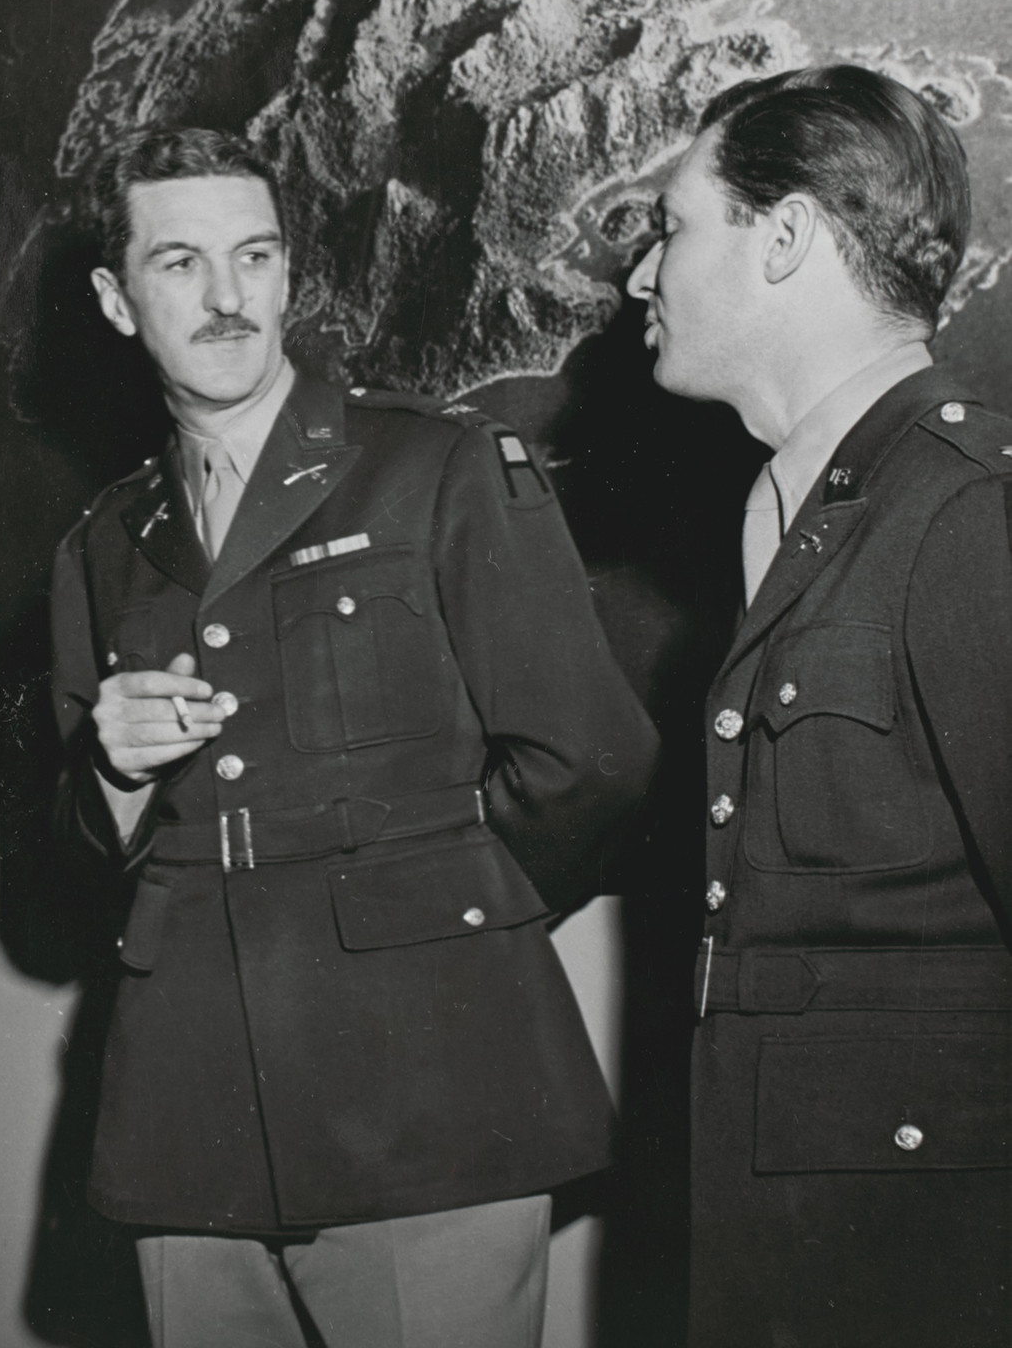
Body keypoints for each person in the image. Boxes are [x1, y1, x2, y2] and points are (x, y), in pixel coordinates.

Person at [49, 126, 658, 1348]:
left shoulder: (431, 465)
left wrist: (434, 919)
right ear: (117, 300)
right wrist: (108, 770)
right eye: (179, 263)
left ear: (286, 273)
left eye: (254, 255)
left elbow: (588, 759)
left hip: (424, 1091)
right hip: (192, 1117)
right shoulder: (103, 542)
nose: (227, 298)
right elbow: (71, 872)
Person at [627, 64, 1010, 1348]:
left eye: (672, 227)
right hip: (794, 1229)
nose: (642, 275)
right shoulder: (813, 502)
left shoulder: (965, 512)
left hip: (924, 1259)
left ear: (782, 235)